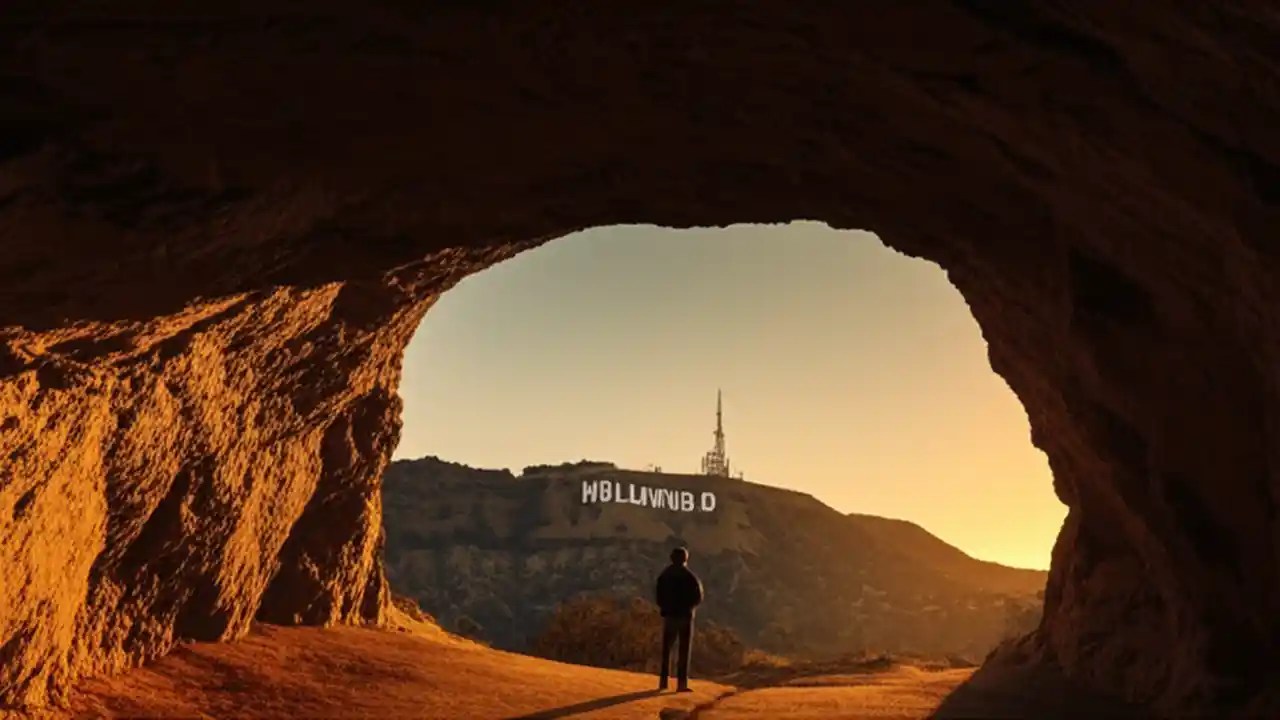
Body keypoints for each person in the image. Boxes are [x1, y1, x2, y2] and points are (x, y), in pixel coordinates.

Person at [654, 546, 703, 692]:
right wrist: (689, 608)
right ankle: (681, 684)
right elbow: (698, 596)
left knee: (666, 650)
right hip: (685, 617)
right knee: (684, 650)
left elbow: (659, 595)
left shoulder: (665, 575)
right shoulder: (690, 577)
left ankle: (663, 682)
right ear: (685, 559)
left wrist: (665, 608)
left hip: (669, 616)